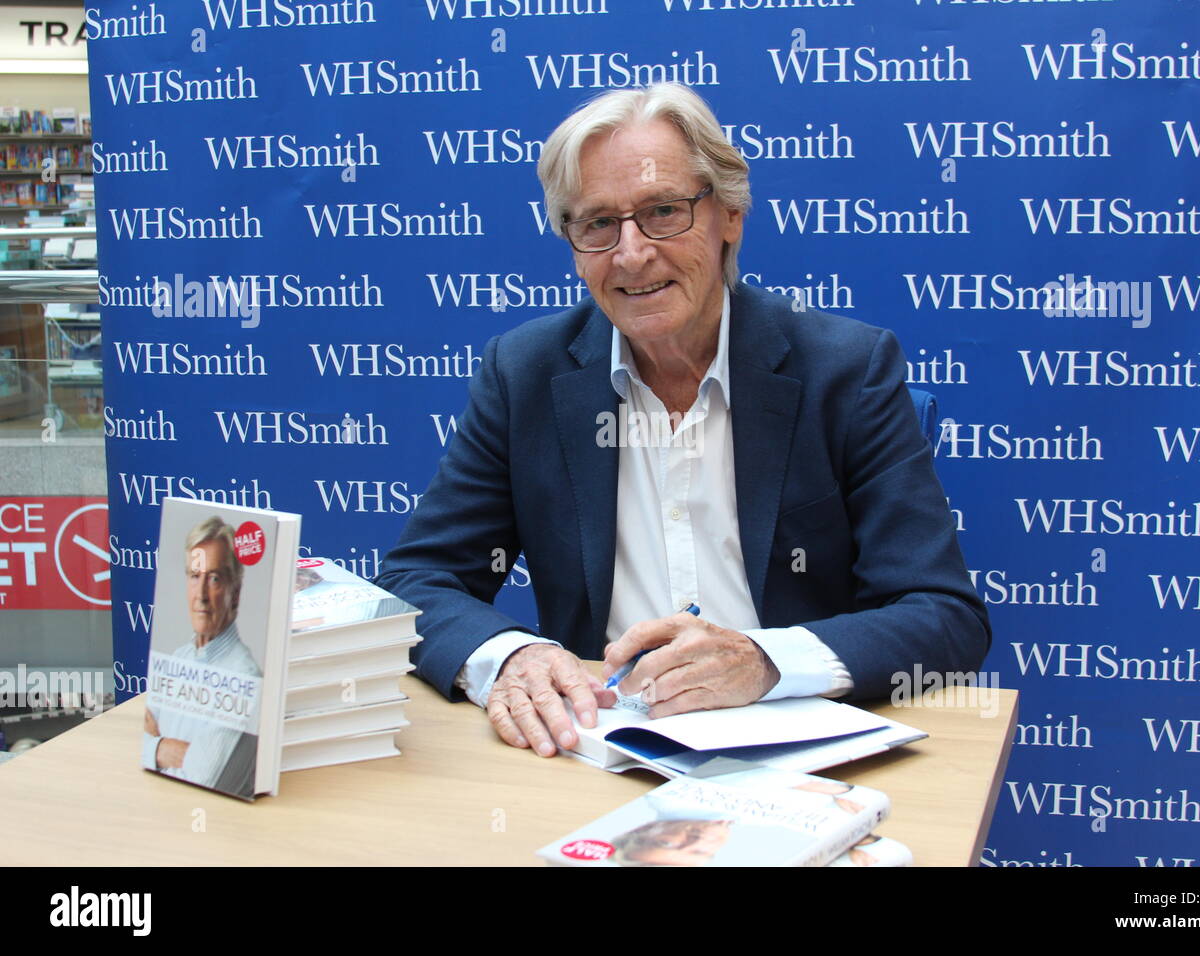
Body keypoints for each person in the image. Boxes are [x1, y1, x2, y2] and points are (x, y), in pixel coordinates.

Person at [375, 83, 990, 758]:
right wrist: (508, 656)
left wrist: (762, 660)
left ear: (729, 215)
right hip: (597, 751)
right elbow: (415, 581)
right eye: (597, 224)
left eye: (663, 211)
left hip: (802, 752)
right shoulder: (524, 375)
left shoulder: (845, 370)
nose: (632, 254)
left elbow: (943, 617)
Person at [142, 516, 261, 792]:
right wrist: (169, 750)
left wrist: (155, 746)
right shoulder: (176, 659)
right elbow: (138, 753)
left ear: (236, 592)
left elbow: (203, 781)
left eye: (215, 579)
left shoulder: (244, 677)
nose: (201, 595)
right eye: (195, 576)